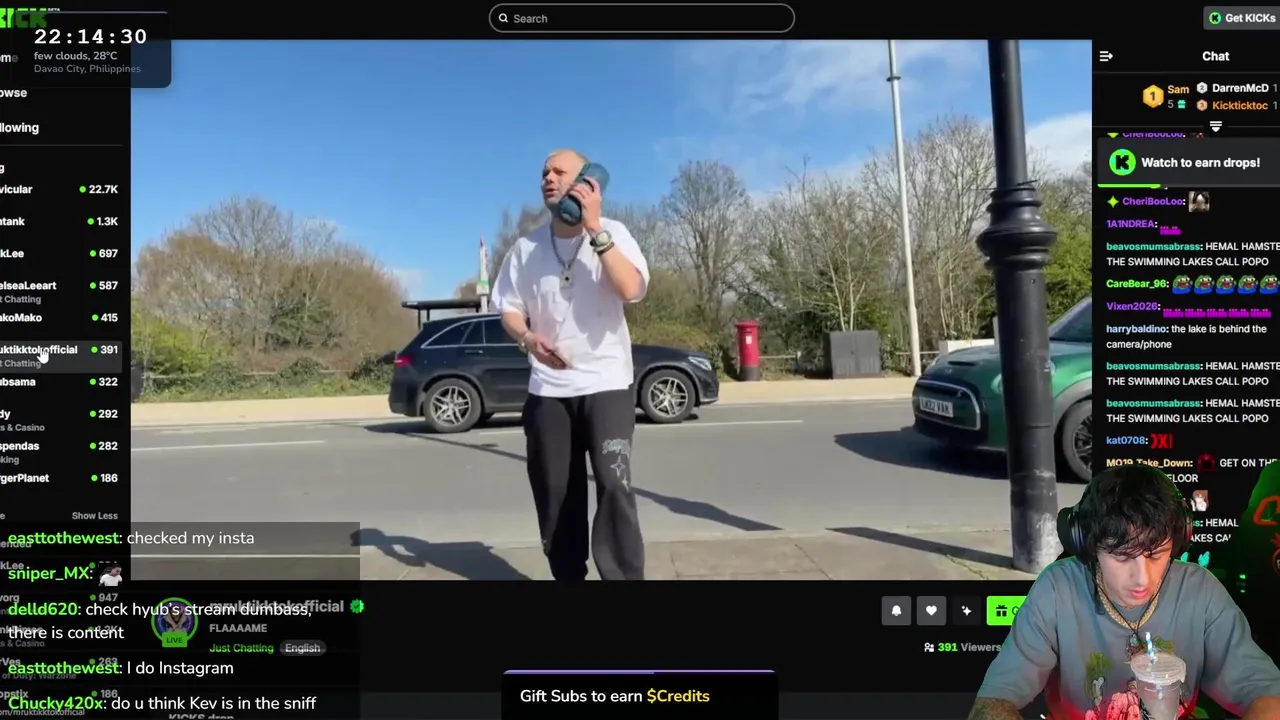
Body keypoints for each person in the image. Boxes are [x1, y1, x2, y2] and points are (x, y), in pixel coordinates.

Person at [969, 465, 1280, 720]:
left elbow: (1268, 696)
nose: (1142, 578)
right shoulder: (1056, 589)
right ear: (1087, 546)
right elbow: (992, 705)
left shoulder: (1201, 590)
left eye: (1156, 554)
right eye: (1121, 557)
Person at [492, 149, 650, 581]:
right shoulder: (524, 249)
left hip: (607, 383)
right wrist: (527, 338)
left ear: (587, 181)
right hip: (548, 390)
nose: (548, 177)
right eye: (544, 172)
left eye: (559, 171)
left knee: (614, 485)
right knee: (556, 492)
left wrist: (595, 228)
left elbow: (631, 289)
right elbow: (508, 308)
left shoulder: (614, 232)